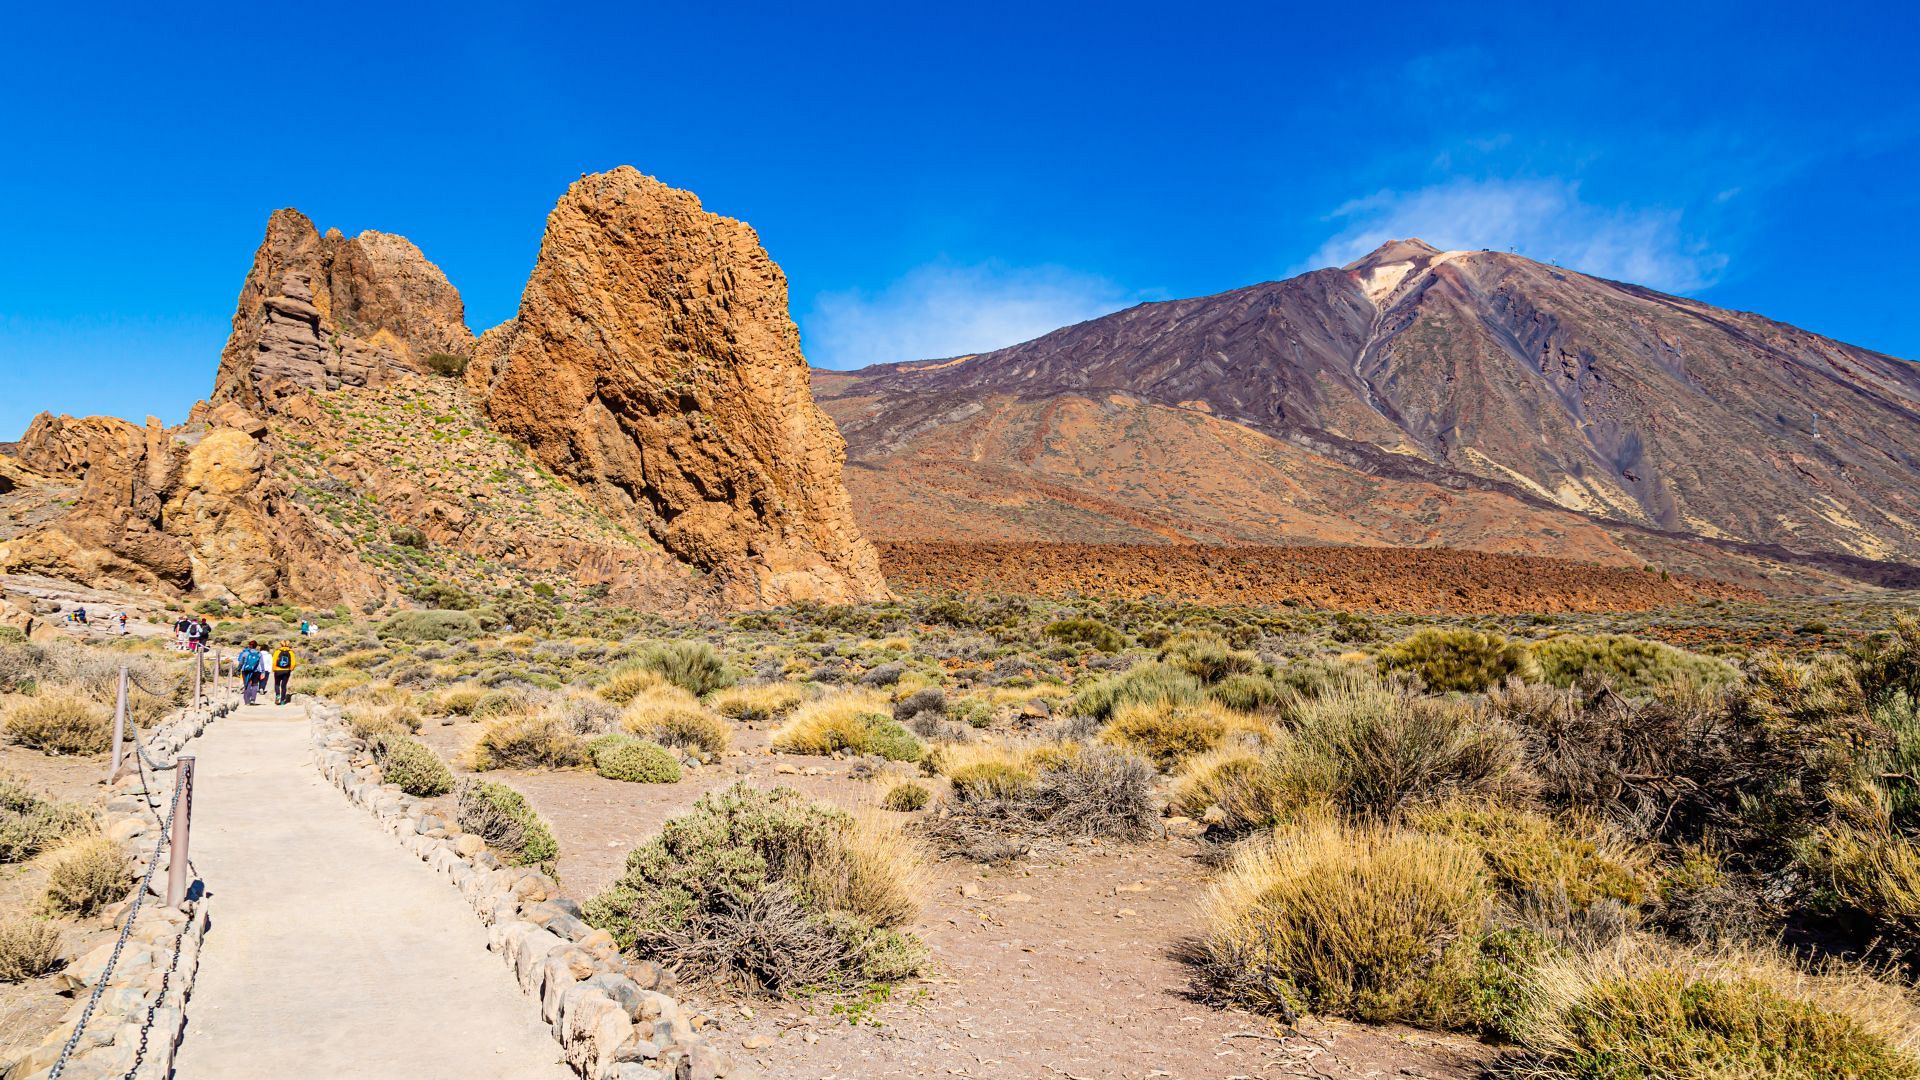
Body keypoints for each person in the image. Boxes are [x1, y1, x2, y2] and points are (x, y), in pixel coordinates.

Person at [237, 639, 266, 706]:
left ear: (249, 646)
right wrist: (263, 672)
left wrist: (238, 669)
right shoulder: (259, 654)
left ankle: (247, 701)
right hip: (256, 671)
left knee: (247, 685)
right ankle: (253, 699)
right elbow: (262, 663)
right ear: (256, 646)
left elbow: (241, 663)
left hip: (246, 670)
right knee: (255, 685)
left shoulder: (245, 653)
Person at [270, 641, 298, 705]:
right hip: (287, 670)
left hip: (277, 670)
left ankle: (277, 696)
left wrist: (274, 669)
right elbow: (293, 663)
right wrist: (290, 669)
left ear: (281, 645)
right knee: (284, 685)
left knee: (277, 684)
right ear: (288, 645)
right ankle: (282, 700)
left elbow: (274, 662)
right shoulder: (291, 652)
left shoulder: (277, 651)